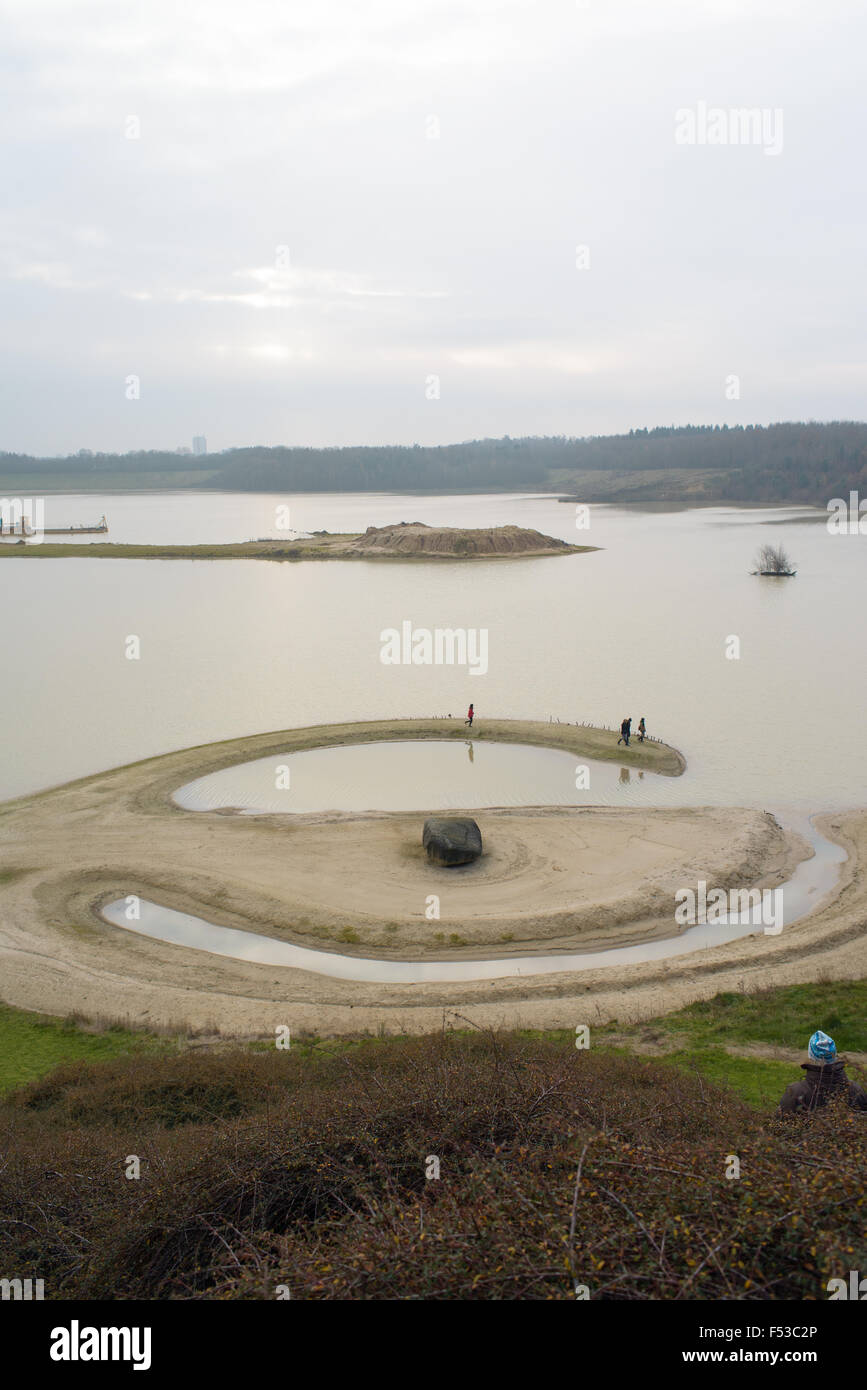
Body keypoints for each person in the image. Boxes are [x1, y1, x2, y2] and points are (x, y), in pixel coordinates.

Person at [778, 1030, 867, 1115]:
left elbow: (779, 1126)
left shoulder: (796, 1093)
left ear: (810, 1057)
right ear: (835, 1056)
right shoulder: (856, 1091)